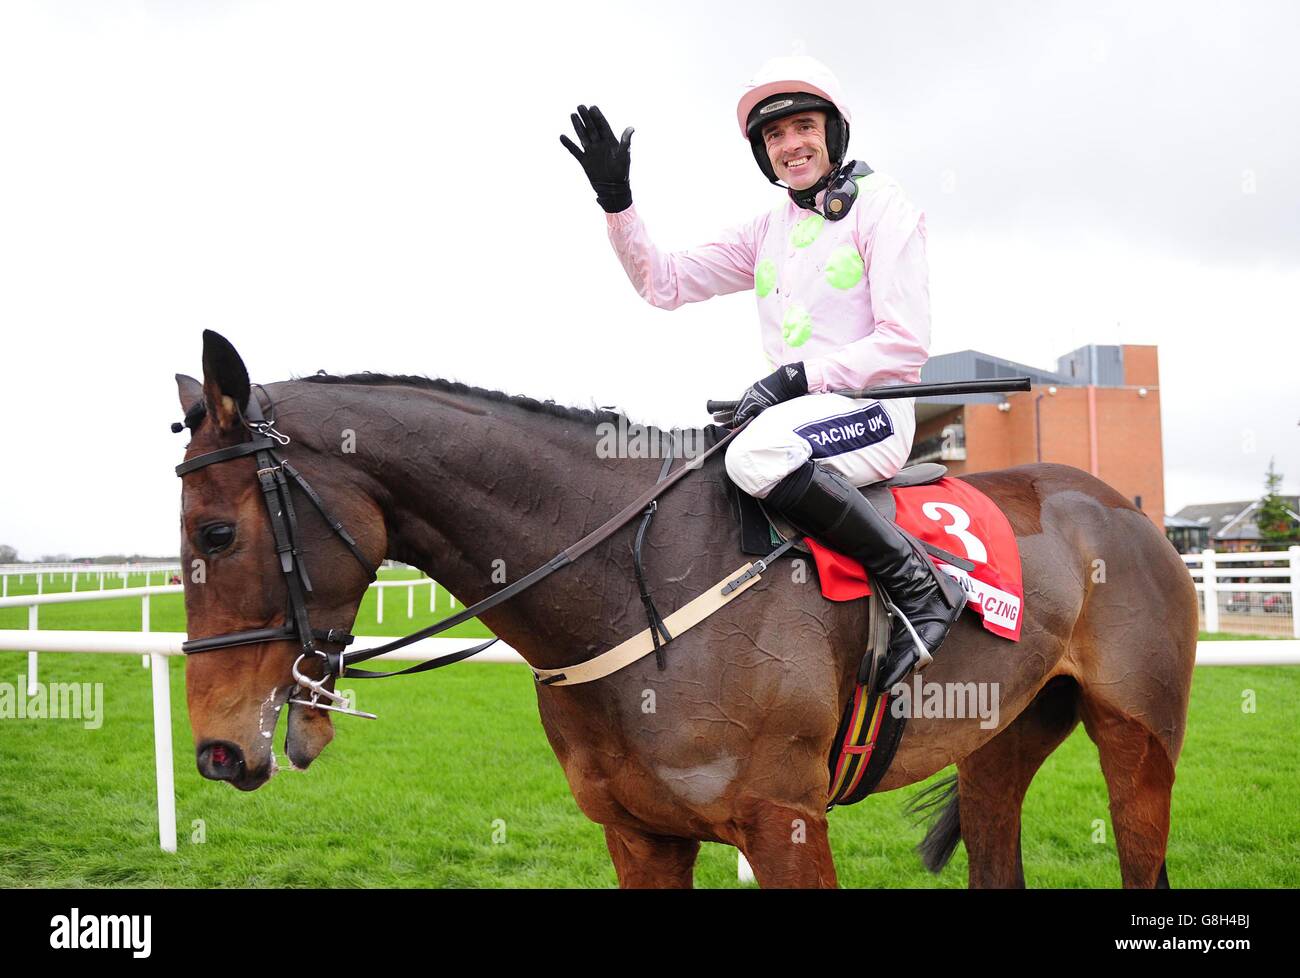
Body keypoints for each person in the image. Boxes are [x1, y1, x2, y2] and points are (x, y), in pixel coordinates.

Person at [560, 55, 966, 691]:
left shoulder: (885, 208)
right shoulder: (767, 229)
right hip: (801, 416)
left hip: (875, 412)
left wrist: (795, 379)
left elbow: (903, 343)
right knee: (703, 461)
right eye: (774, 135)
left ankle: (921, 586)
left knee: (755, 455)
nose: (790, 144)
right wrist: (618, 203)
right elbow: (664, 283)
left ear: (833, 132)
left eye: (803, 127)